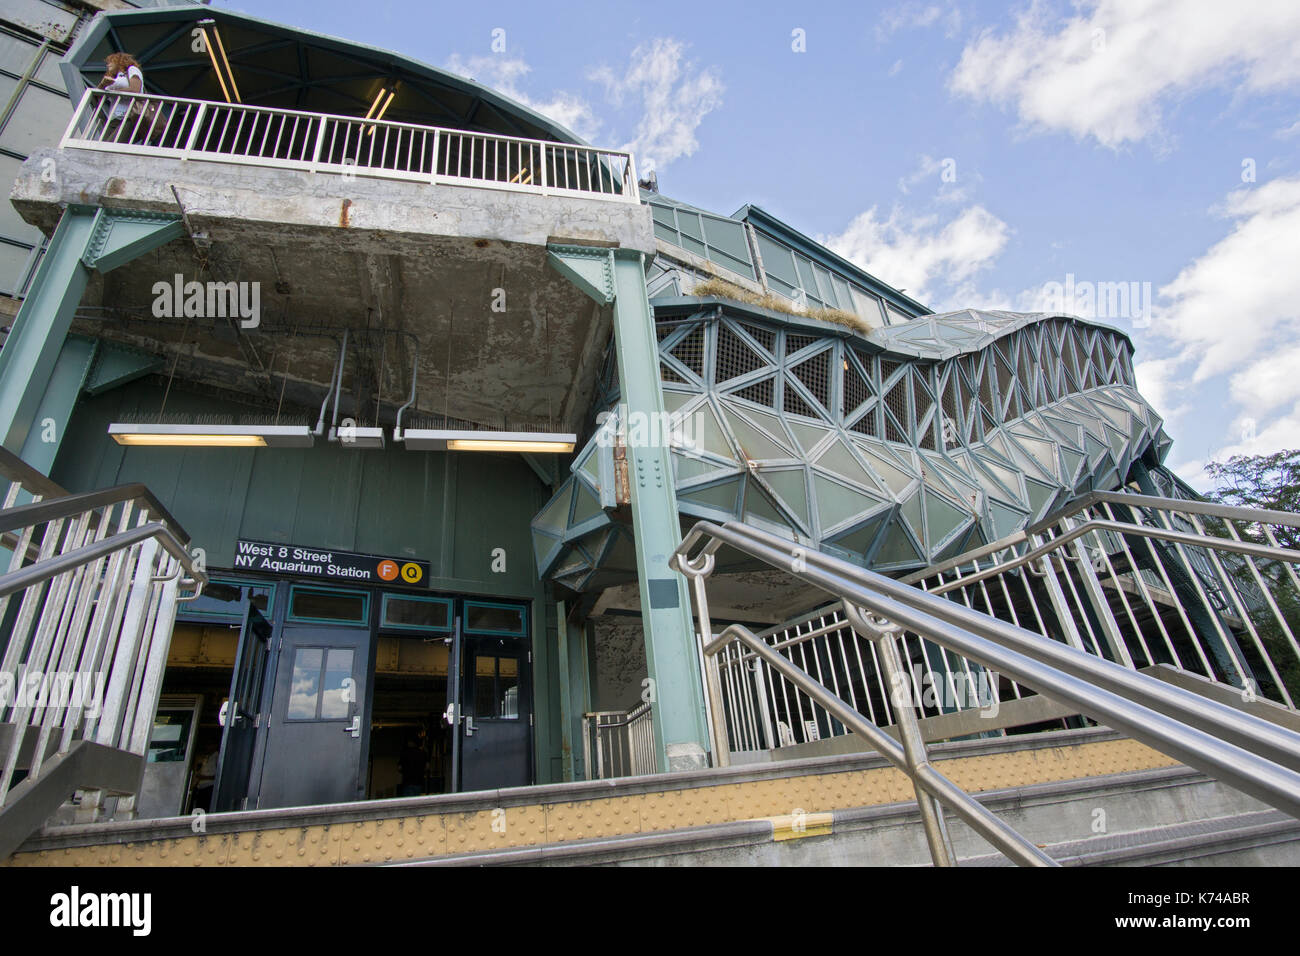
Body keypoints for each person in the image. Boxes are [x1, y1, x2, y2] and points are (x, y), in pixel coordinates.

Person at [98, 52, 150, 143]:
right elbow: (97, 99)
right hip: (114, 119)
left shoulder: (132, 70)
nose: (107, 64)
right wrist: (102, 85)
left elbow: (135, 89)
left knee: (110, 146)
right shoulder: (114, 78)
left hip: (129, 116)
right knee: (99, 147)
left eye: (110, 61)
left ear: (119, 61)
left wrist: (113, 92)